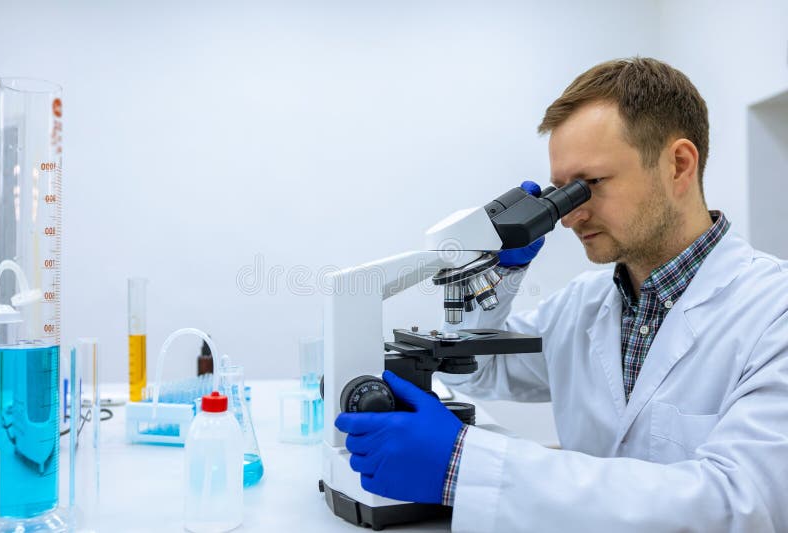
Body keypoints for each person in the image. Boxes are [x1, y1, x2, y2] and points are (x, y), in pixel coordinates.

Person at [334, 57, 788, 532]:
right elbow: (480, 369)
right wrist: (498, 270)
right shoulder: (584, 305)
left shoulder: (772, 312)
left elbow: (743, 506)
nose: (569, 216)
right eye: (561, 193)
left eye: (589, 185)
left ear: (678, 165)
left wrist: (464, 467)